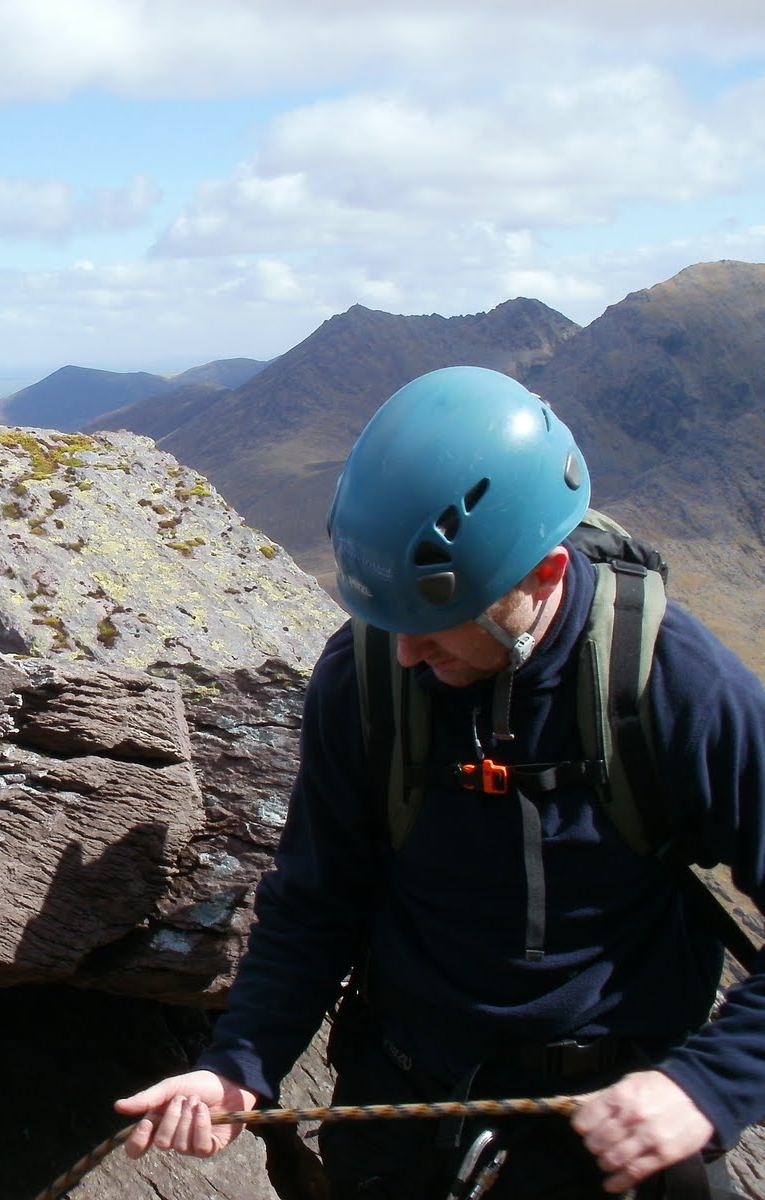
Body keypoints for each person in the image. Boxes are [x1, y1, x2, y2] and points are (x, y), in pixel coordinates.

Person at [115, 366, 765, 1198]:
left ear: (546, 575)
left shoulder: (673, 685)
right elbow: (317, 897)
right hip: (408, 1105)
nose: (407, 655)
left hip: (615, 1123)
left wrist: (705, 1088)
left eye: (435, 631)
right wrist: (239, 1065)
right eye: (389, 626)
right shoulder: (370, 676)